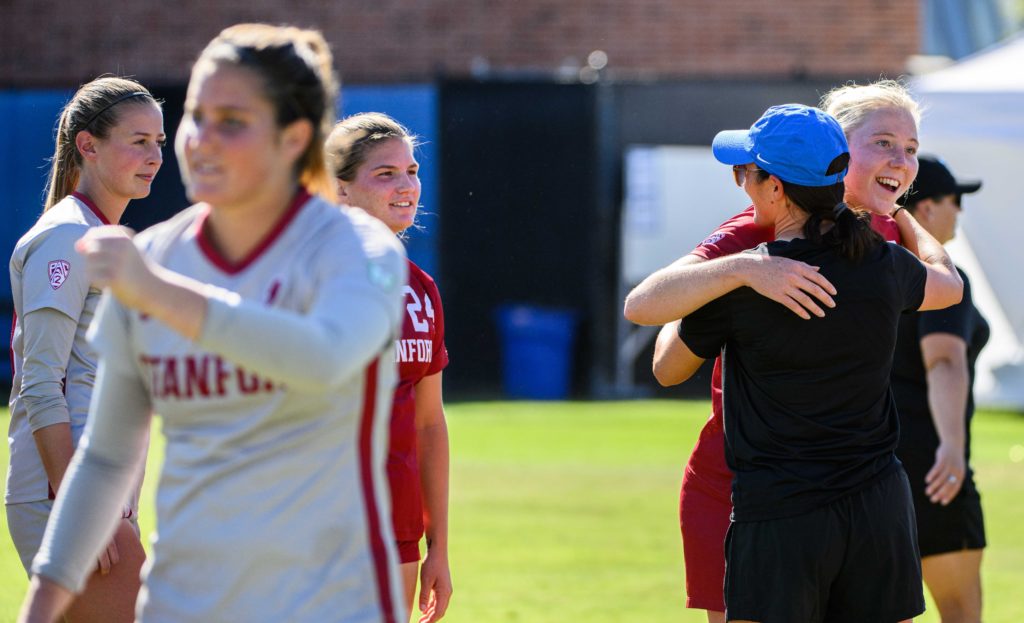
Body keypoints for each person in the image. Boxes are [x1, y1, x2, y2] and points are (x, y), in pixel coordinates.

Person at [18, 23, 408, 623]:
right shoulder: (150, 255)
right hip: (182, 604)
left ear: (292, 138)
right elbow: (104, 460)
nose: (199, 140)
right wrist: (40, 605)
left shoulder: (362, 251)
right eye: (197, 116)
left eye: (232, 121)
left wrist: (161, 295)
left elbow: (324, 359)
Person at [626, 103, 963, 621]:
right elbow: (949, 286)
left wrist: (728, 277)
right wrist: (905, 220)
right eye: (885, 143)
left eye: (746, 173)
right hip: (871, 502)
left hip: (777, 506)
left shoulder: (744, 278)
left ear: (775, 187)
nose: (741, 184)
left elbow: (659, 350)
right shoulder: (884, 261)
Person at [6, 76, 164, 622]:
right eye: (138, 140)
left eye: (159, 142)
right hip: (66, 491)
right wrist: (82, 513)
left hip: (93, 490)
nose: (154, 156)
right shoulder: (63, 237)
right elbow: (41, 382)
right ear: (87, 145)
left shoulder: (103, 236)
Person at [325, 112, 453, 623]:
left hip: (397, 527)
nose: (407, 186)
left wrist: (438, 545)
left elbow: (428, 424)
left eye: (413, 171)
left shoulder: (420, 289)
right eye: (386, 174)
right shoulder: (308, 279)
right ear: (340, 190)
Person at [892, 155, 987, 623]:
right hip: (934, 469)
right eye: (955, 200)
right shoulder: (941, 280)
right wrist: (951, 446)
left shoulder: (873, 271)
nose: (960, 212)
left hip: (870, 466)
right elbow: (945, 359)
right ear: (925, 209)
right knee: (960, 613)